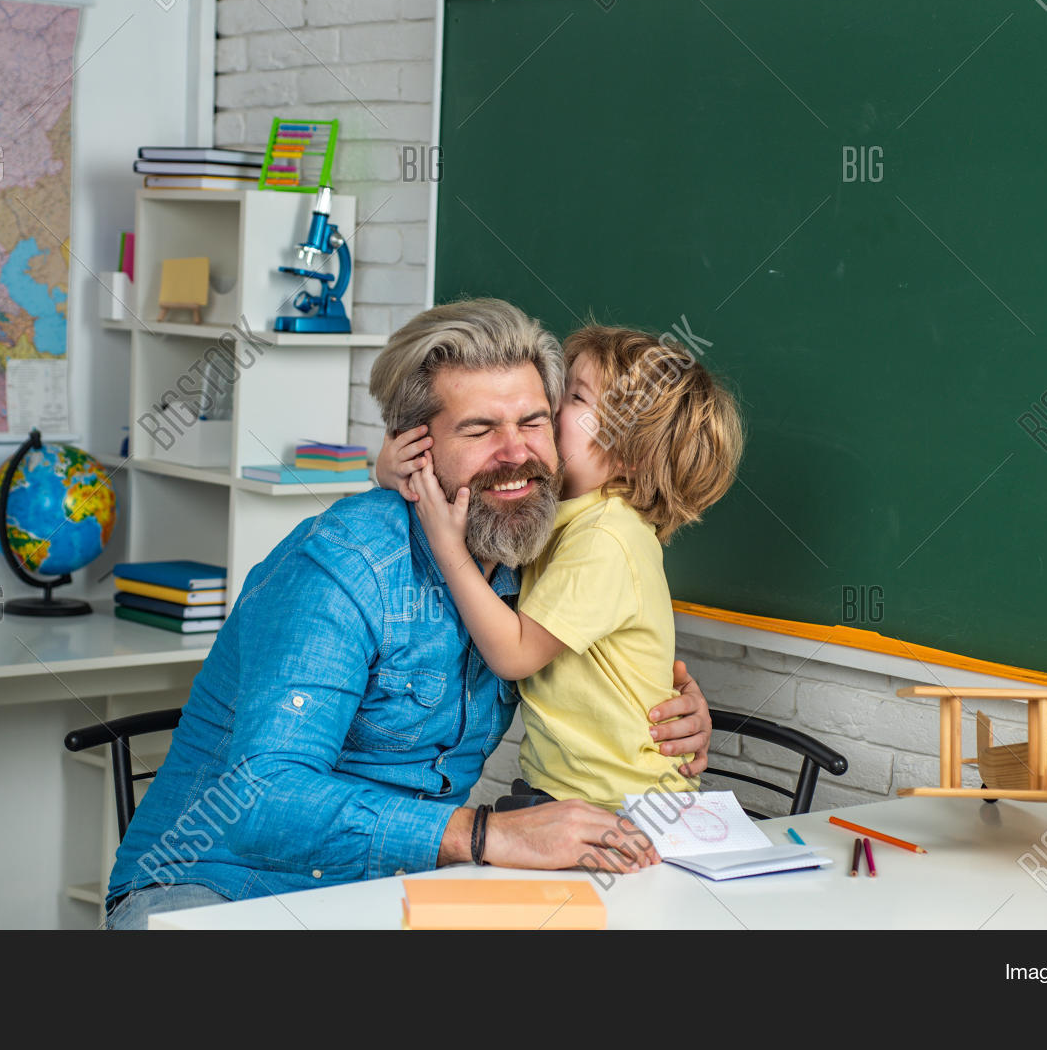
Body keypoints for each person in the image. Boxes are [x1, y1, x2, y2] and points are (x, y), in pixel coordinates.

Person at [103, 298, 714, 929]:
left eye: (535, 422)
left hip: (386, 896)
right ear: (415, 448)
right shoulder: (345, 567)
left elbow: (586, 672)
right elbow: (261, 795)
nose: (514, 453)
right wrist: (485, 836)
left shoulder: (526, 559)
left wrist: (667, 722)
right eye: (479, 430)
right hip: (216, 890)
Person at [378, 325, 742, 811]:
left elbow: (515, 653)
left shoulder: (605, 537)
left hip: (616, 803)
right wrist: (390, 471)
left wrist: (450, 549)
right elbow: (460, 490)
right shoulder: (557, 510)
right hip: (576, 791)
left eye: (576, 398)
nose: (549, 407)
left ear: (630, 456)